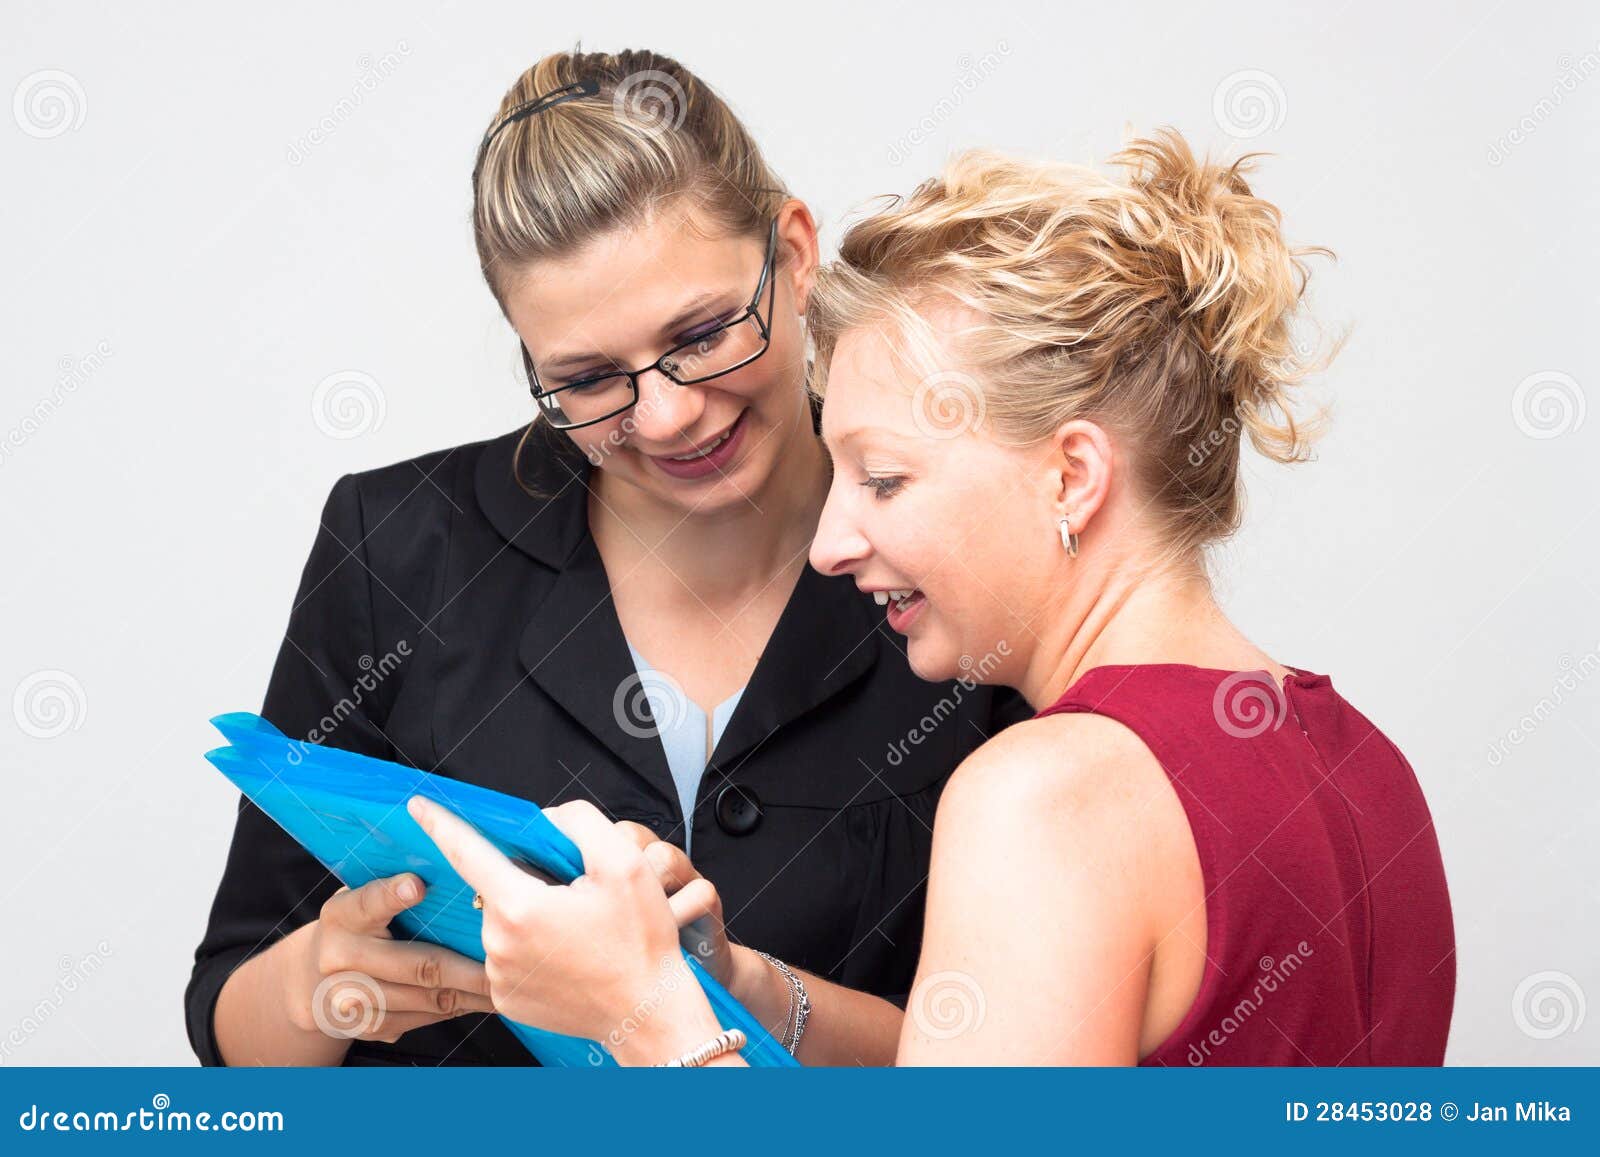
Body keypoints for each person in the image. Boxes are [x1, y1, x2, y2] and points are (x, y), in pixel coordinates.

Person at [406, 129, 1456, 1066]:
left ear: (1071, 476)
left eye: (884, 477)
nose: (831, 545)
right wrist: (738, 985)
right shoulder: (1368, 768)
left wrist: (638, 1011)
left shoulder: (1041, 800)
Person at [185, 48, 1027, 1067]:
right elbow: (230, 1014)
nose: (666, 415)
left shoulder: (964, 533)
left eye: (704, 332)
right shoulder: (398, 542)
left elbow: (1032, 1064)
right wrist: (323, 982)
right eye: (587, 379)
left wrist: (739, 994)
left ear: (796, 254)